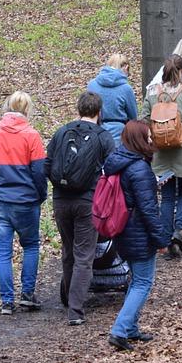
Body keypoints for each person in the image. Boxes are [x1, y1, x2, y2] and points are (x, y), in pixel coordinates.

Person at [45, 91, 115, 326]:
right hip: (88, 202)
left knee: (68, 250)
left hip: (61, 201)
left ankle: (68, 297)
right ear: (99, 111)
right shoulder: (103, 137)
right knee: (84, 255)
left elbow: (47, 164)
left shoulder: (62, 132)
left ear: (79, 109)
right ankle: (75, 310)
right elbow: (113, 167)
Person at [103, 121, 173, 351]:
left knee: (135, 280)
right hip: (138, 233)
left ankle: (130, 328)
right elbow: (148, 210)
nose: (152, 140)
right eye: (149, 136)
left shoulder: (119, 163)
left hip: (123, 230)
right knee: (143, 282)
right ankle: (120, 329)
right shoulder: (139, 169)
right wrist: (161, 240)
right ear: (140, 139)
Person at [0, 92, 47, 316]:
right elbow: (39, 171)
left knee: (3, 253)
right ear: (27, 109)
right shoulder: (32, 135)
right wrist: (41, 194)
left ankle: (7, 301)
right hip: (25, 199)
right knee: (30, 246)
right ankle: (27, 294)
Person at [143, 54, 182, 256]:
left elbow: (143, 120)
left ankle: (167, 237)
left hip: (161, 153)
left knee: (167, 196)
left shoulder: (153, 92)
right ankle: (180, 229)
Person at [88, 54, 139, 141]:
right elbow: (133, 117)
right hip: (119, 135)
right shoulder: (126, 89)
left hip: (95, 133)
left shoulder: (92, 85)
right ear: (126, 68)